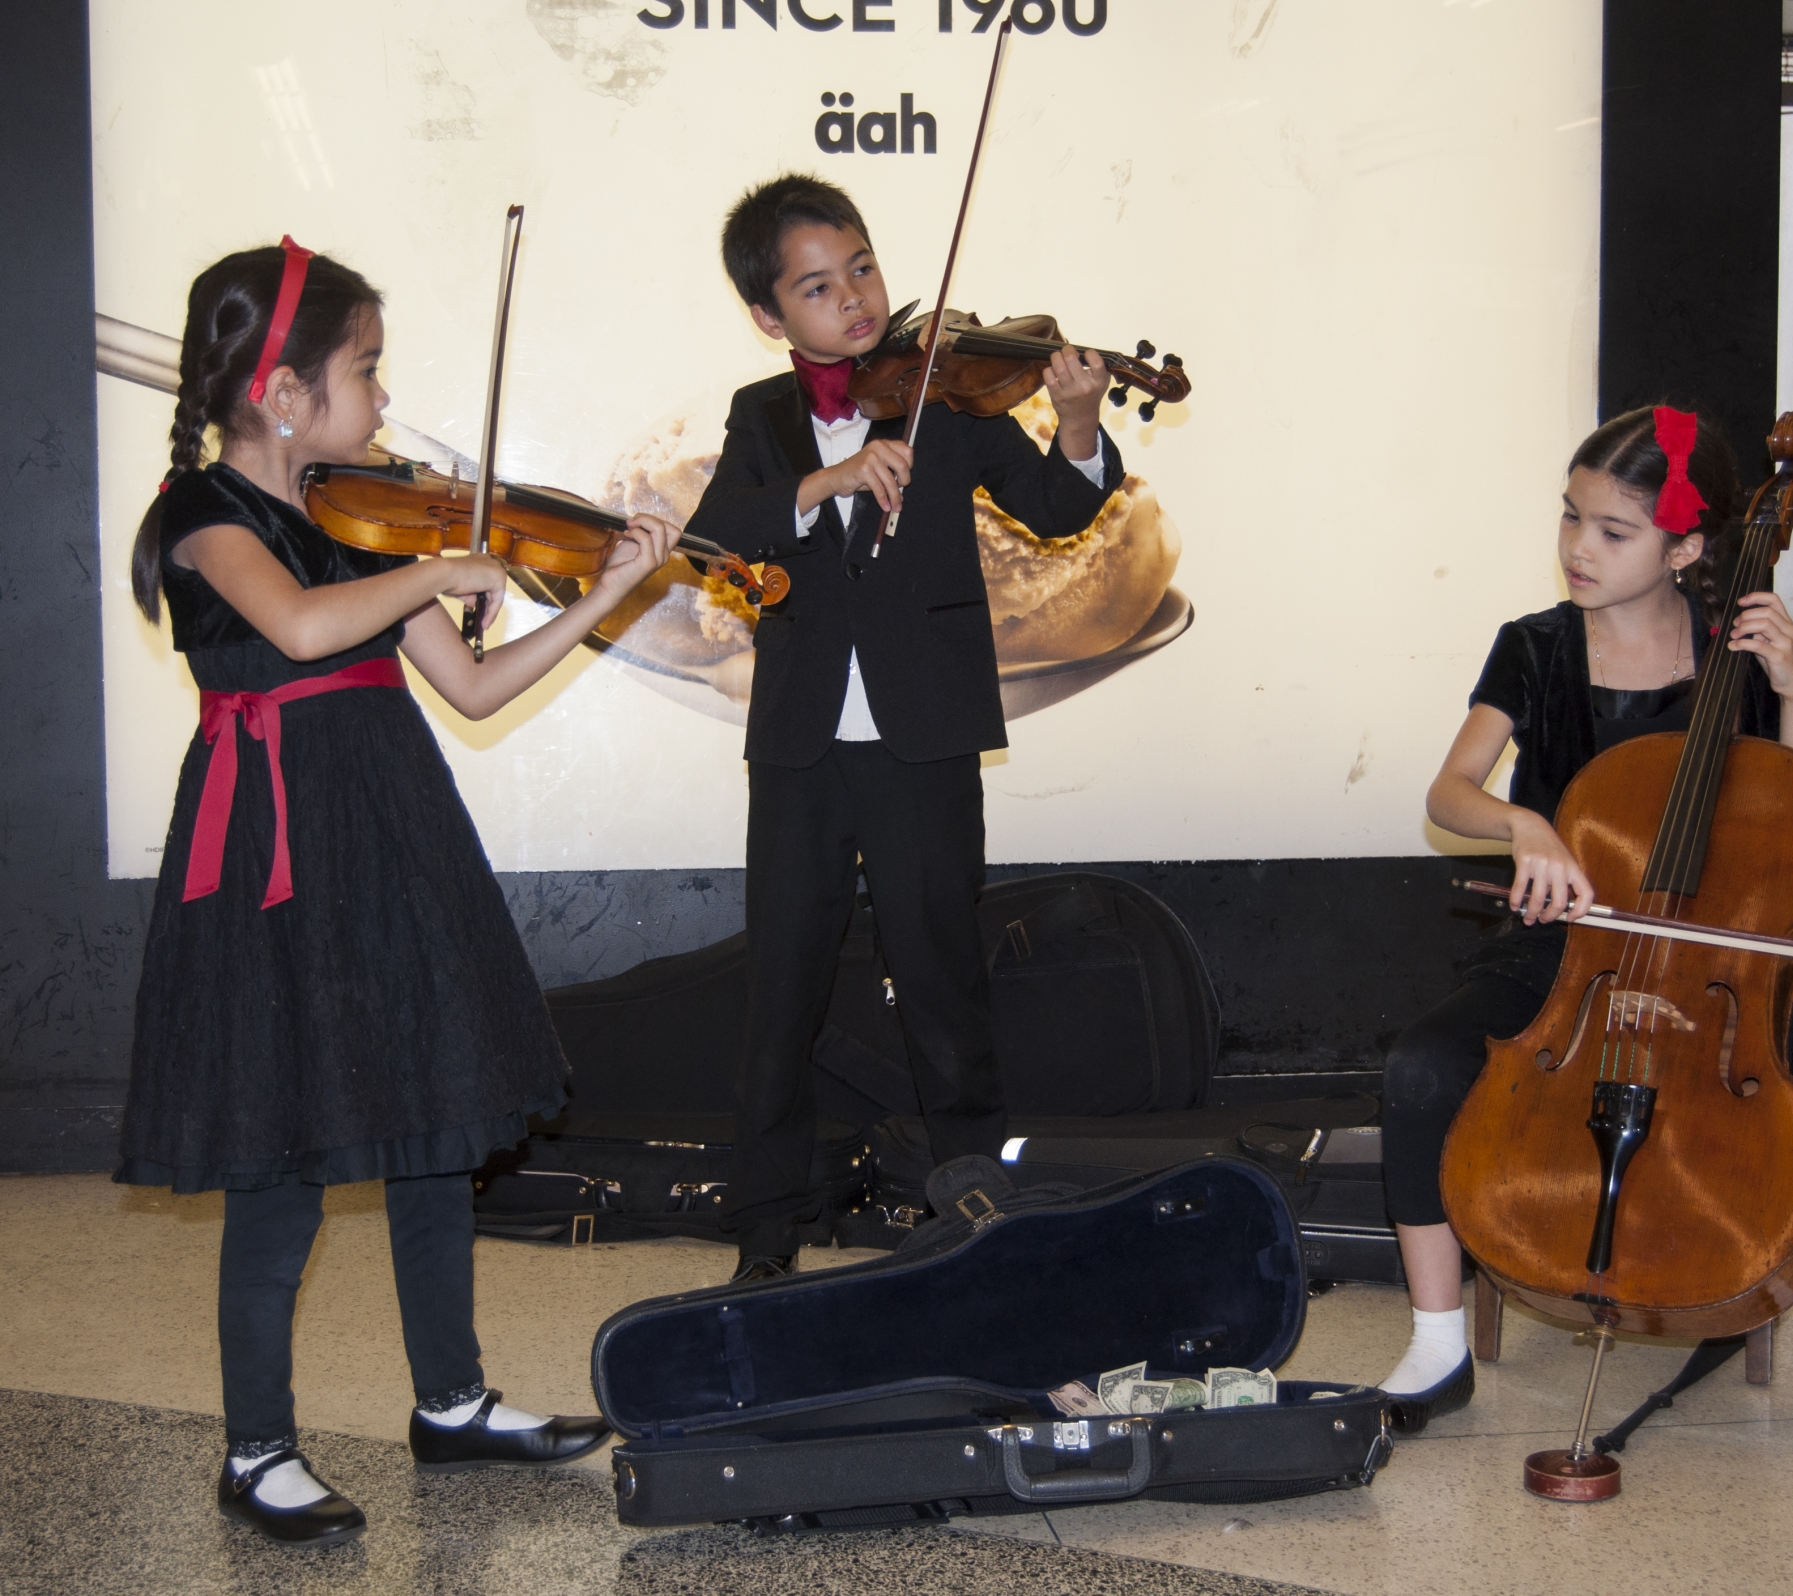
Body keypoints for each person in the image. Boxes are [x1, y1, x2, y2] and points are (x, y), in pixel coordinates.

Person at [117, 238, 685, 1549]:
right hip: (274, 858)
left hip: (392, 834)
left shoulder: (359, 512)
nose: (382, 398)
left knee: (434, 1132)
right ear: (281, 390)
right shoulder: (203, 516)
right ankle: (257, 1447)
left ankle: (453, 1400)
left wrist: (606, 591)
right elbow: (304, 632)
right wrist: (441, 570)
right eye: (365, 369)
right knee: (283, 1156)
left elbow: (477, 686)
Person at [1375, 405, 1793, 1464]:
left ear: (1686, 547)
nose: (1575, 549)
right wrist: (1521, 823)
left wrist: (1786, 688)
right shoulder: (1535, 649)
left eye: (1611, 531)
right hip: (1571, 948)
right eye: (1568, 518)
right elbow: (1449, 789)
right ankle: (1432, 1343)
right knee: (1418, 1069)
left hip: (1732, 949)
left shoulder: (1730, 648)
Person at [684, 175, 1119, 1282]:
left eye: (863, 267)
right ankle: (766, 1237)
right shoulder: (760, 416)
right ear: (769, 316)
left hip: (922, 740)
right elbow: (715, 537)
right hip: (799, 750)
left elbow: (1058, 511)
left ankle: (974, 1217)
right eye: (819, 287)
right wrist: (825, 478)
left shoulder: (954, 398)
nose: (856, 299)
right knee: (780, 988)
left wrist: (1075, 423)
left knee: (941, 985)